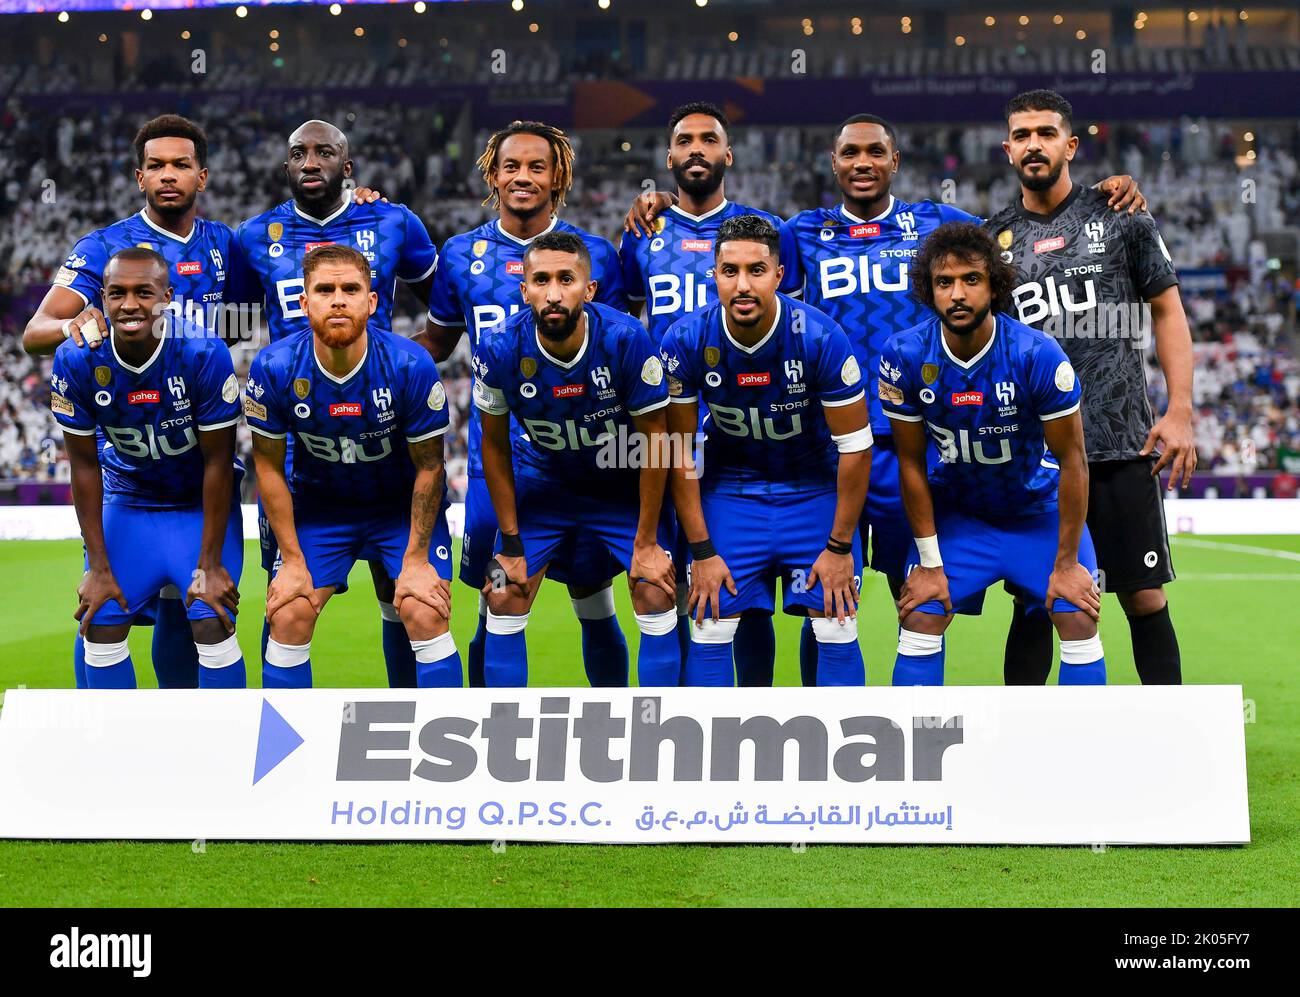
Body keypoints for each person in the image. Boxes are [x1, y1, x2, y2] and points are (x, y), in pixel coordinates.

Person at [24, 115, 245, 690]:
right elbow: (36, 331)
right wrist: (83, 319)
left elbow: (296, 274)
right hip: (131, 462)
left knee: (190, 613)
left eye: (180, 165)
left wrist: (357, 200)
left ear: (203, 175)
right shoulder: (105, 248)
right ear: (138, 176)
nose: (168, 175)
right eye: (156, 166)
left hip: (199, 455)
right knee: (103, 617)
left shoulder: (227, 245)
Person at [985, 90, 1194, 685]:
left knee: (1143, 600)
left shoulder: (1122, 215)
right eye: (1021, 135)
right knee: (1034, 604)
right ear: (1008, 150)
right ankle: (1021, 749)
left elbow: (1168, 311)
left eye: (1045, 133)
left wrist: (1179, 411)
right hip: (1038, 459)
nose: (1033, 145)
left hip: (1122, 444)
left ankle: (1171, 741)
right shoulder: (992, 238)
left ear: (1069, 145)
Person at [422, 120, 631, 688]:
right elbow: (436, 345)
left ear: (557, 175)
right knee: (498, 600)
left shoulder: (595, 256)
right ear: (492, 173)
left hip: (587, 460)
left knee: (595, 594)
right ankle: (485, 729)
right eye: (511, 165)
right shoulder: (461, 254)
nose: (523, 176)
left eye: (537, 166)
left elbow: (615, 344)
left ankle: (617, 721)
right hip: (503, 463)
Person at [232, 119, 439, 688]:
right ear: (286, 166)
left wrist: (404, 364)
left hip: (386, 437)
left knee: (405, 599)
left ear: (347, 168)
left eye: (325, 153)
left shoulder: (394, 220)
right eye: (299, 153)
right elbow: (229, 321)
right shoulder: (255, 234)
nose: (311, 162)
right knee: (285, 604)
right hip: (302, 441)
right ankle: (280, 751)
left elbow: (446, 309)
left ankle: (413, 722)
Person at [880, 223, 1105, 685]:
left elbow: (1074, 461)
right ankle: (919, 754)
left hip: (1036, 512)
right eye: (944, 282)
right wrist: (928, 561)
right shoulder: (903, 354)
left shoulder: (1036, 354)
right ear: (928, 288)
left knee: (1078, 615)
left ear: (994, 285)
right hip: (959, 515)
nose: (957, 294)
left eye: (971, 280)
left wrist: (1065, 564)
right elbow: (910, 463)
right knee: (920, 613)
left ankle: (1081, 753)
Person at [618, 101, 794, 686]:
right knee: (660, 582)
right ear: (668, 157)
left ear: (728, 154)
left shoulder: (763, 232)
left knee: (739, 589)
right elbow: (620, 327)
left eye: (709, 139)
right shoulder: (643, 233)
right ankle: (674, 719)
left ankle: (754, 710)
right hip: (662, 431)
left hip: (739, 433)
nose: (697, 149)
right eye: (685, 140)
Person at [660, 215, 872, 686]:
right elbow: (678, 451)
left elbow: (856, 448)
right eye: (729, 270)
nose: (742, 285)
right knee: (710, 621)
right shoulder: (686, 339)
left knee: (836, 623)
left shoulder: (819, 337)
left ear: (779, 275)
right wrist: (702, 551)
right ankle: (712, 756)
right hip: (732, 494)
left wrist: (839, 548)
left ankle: (842, 751)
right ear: (713, 274)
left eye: (756, 270)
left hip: (813, 492)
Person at [244, 245, 458, 689]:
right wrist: (292, 561)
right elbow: (267, 467)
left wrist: (416, 559)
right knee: (289, 612)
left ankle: (441, 740)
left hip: (398, 508)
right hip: (321, 509)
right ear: (304, 303)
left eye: (350, 289)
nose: (338, 299)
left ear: (372, 301)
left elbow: (431, 466)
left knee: (424, 607)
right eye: (325, 290)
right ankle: (286, 755)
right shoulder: (274, 366)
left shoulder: (408, 363)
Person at [473, 232, 678, 687]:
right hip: (542, 489)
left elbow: (656, 440)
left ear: (589, 289)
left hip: (618, 488)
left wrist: (645, 542)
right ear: (523, 289)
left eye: (566, 279)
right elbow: (493, 445)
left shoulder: (626, 339)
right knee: (499, 592)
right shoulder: (498, 347)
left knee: (655, 588)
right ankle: (506, 741)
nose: (552, 293)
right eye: (540, 280)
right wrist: (509, 545)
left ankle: (656, 736)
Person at [50, 248, 245, 689]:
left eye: (144, 292)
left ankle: (226, 750)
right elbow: (83, 467)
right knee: (99, 621)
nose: (130, 304)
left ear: (168, 297)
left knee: (211, 619)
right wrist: (97, 567)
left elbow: (218, 461)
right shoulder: (76, 358)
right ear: (101, 298)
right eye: (116, 293)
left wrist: (210, 565)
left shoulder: (202, 352)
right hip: (130, 501)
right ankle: (116, 754)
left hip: (196, 506)